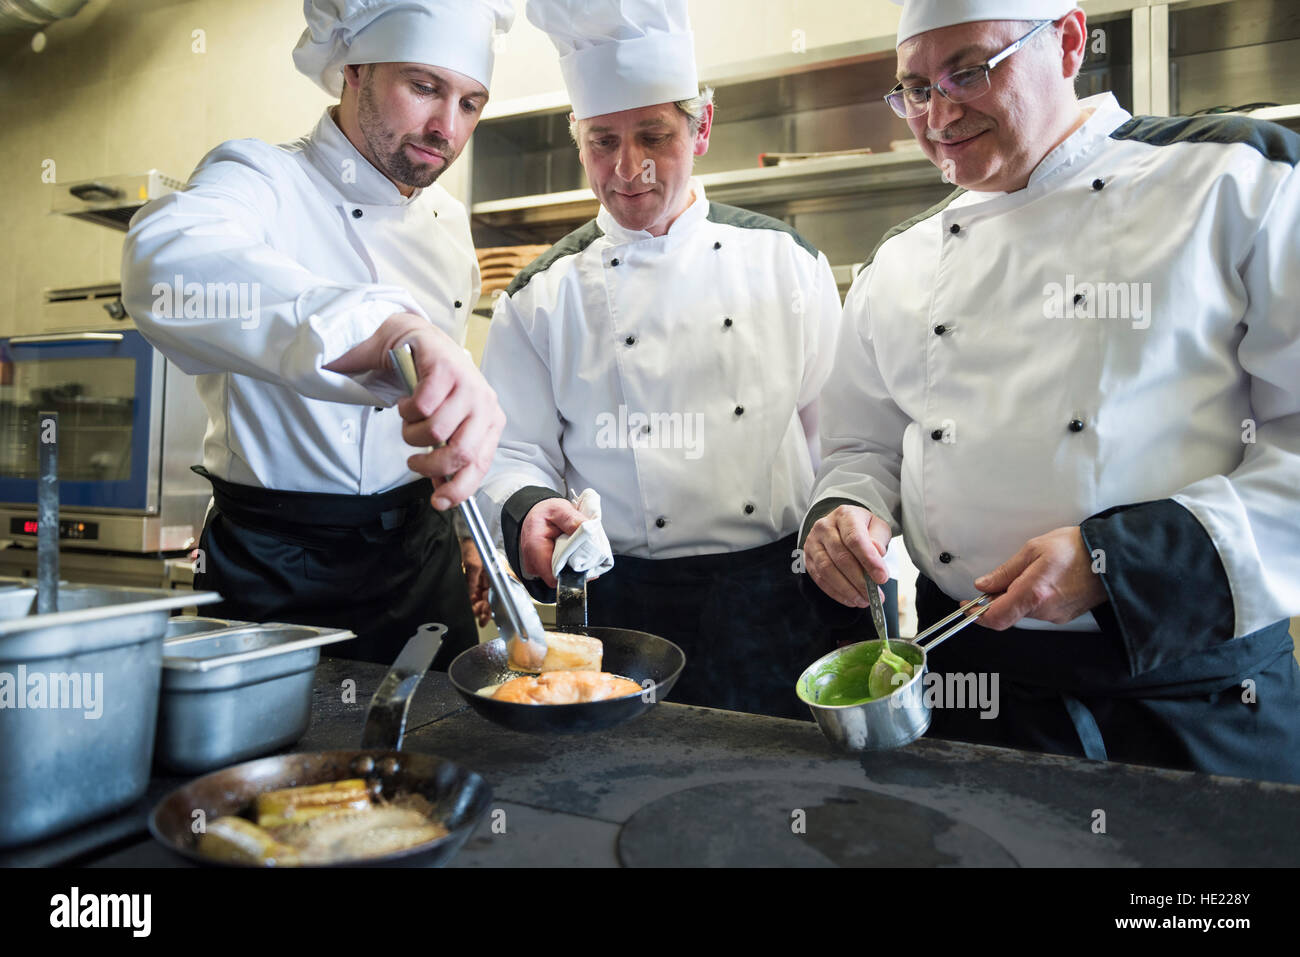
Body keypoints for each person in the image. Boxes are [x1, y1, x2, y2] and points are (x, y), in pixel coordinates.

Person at [801, 0, 1300, 782]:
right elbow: (861, 445)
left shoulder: (1240, 178)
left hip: (1186, 692)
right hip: (969, 686)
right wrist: (844, 510)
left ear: (1068, 42)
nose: (938, 112)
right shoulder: (898, 260)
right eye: (915, 89)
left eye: (967, 70)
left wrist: (1118, 563)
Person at [475, 0, 855, 719]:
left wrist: (842, 521)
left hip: (775, 594)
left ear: (702, 126)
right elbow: (511, 451)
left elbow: (840, 439)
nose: (629, 168)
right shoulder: (539, 296)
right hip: (623, 603)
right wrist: (527, 508)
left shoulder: (787, 263)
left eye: (654, 134)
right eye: (602, 142)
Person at [121, 0, 514, 669]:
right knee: (266, 769)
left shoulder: (449, 228)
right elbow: (164, 263)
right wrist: (385, 327)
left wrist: (472, 531)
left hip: (421, 560)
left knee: (448, 760)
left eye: (471, 103)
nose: (446, 127)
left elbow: (442, 408)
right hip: (276, 563)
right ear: (353, 68)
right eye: (424, 87)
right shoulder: (260, 178)